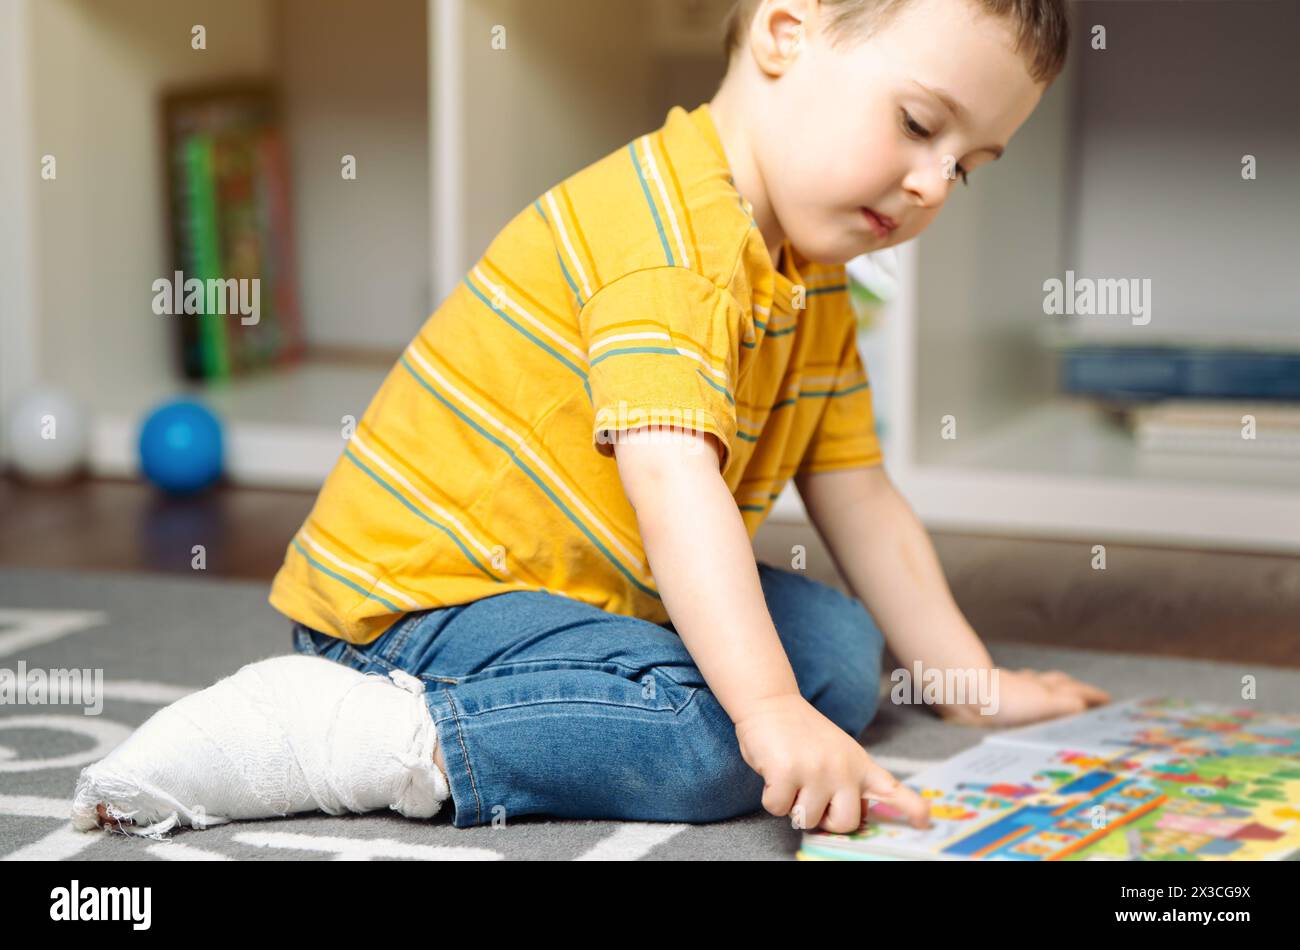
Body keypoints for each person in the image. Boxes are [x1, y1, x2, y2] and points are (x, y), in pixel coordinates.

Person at [72, 0, 1109, 840]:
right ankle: (369, 733)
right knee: (718, 740)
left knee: (840, 651)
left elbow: (860, 494)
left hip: (586, 589)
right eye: (920, 125)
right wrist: (765, 712)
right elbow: (672, 481)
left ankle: (664, 690)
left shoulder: (811, 279)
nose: (933, 181)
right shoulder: (667, 238)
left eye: (967, 167)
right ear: (785, 34)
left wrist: (966, 682)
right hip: (423, 605)